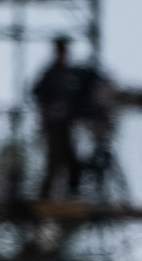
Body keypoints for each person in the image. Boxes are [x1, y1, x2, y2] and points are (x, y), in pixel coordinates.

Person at [31, 36, 84, 200]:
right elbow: (37, 92)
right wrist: (47, 109)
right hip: (53, 123)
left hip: (66, 123)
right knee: (54, 159)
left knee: (70, 159)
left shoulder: (70, 73)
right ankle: (45, 196)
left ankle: (71, 192)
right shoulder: (50, 73)